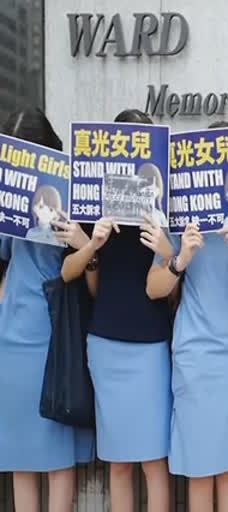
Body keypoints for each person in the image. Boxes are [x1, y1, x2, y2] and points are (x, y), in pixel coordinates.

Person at [144, 142, 228, 511]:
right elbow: (154, 288)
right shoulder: (182, 220)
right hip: (193, 352)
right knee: (200, 465)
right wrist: (181, 257)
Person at [60, 108, 174, 512]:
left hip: (151, 342)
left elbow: (171, 277)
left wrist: (166, 245)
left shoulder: (165, 210)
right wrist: (91, 244)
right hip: (106, 342)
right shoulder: (95, 208)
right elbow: (75, 275)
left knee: (154, 461)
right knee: (119, 462)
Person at [0, 107, 94, 512]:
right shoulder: (5, 192)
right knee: (21, 451)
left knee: (57, 451)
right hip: (13, 334)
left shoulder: (70, 189)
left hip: (56, 333)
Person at [137, 162, 168, 227]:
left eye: (155, 184)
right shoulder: (134, 213)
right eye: (145, 184)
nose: (150, 189)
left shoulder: (160, 216)